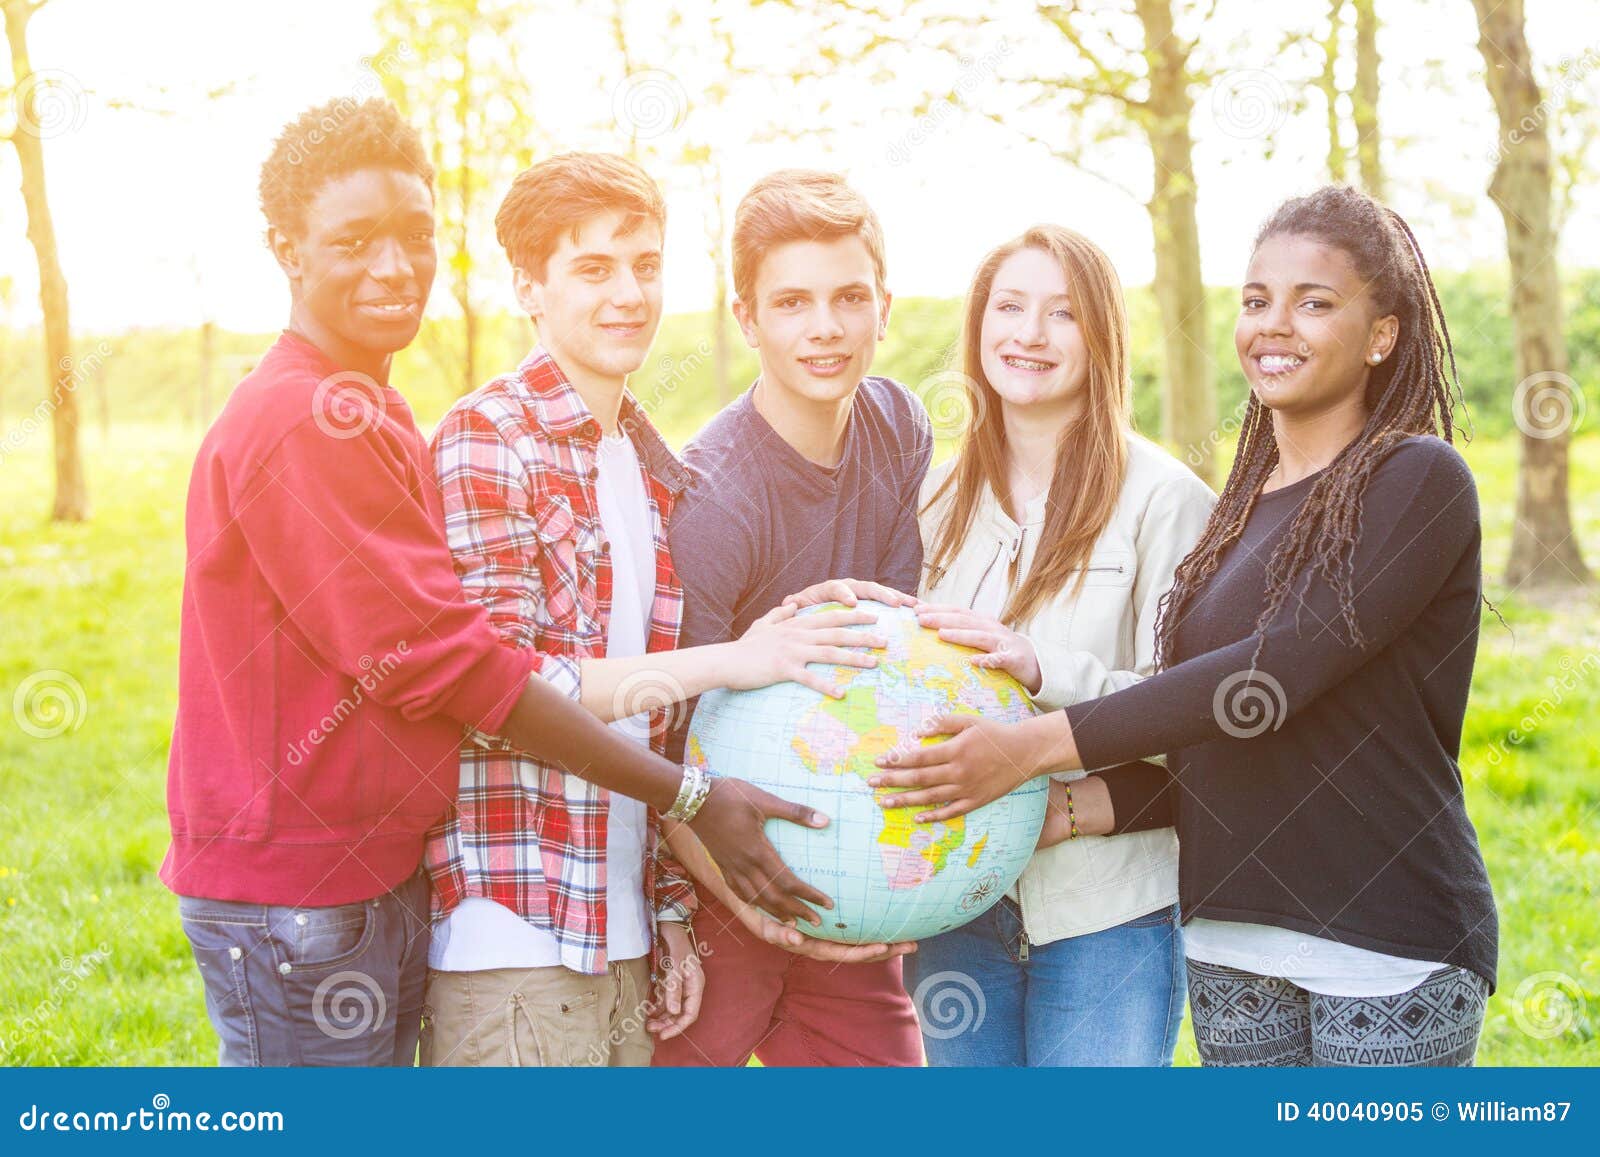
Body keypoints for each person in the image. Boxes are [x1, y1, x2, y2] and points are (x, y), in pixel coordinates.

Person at [162, 100, 834, 1068]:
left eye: (415, 236)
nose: (395, 268)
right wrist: (690, 793)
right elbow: (459, 668)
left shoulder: (384, 412)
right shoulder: (304, 419)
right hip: (304, 891)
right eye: (355, 242)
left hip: (381, 880)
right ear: (287, 250)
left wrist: (668, 892)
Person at [870, 185, 1498, 1067]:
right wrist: (1067, 805)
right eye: (1255, 301)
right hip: (1234, 936)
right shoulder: (1239, 511)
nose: (1275, 324)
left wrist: (1029, 744)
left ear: (1383, 333)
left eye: (1313, 303)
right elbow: (1204, 738)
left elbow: (1267, 681)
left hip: (1381, 936)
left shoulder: (1418, 479)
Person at [420, 153, 885, 1067]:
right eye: (591, 269)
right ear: (529, 286)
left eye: (644, 264)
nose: (626, 293)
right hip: (513, 933)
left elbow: (652, 732)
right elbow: (500, 693)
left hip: (620, 932)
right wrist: (735, 658)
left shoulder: (648, 461)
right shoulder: (488, 436)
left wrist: (666, 909)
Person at [898, 224, 1214, 1066]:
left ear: (1101, 337)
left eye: (1062, 314)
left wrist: (1042, 668)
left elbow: (1196, 711)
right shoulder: (935, 502)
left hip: (1107, 913)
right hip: (956, 904)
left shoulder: (1165, 501)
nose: (1028, 335)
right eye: (1009, 307)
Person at [651, 169, 933, 1067]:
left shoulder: (899, 424)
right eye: (792, 301)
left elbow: (890, 657)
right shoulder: (716, 501)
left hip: (841, 853)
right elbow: (655, 744)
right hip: (716, 867)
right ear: (747, 317)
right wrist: (733, 902)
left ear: (884, 305)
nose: (826, 327)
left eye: (850, 297)